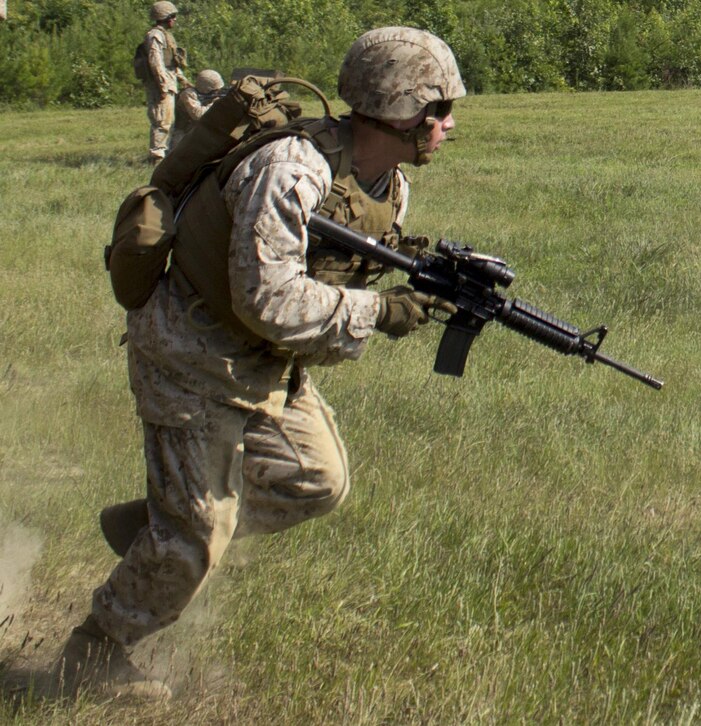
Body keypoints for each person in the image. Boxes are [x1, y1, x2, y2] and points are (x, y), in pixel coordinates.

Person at [53, 26, 465, 699]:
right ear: (398, 108)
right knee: (198, 534)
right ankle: (93, 651)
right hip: (191, 349)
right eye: (438, 110)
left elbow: (315, 294)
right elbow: (267, 298)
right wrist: (377, 312)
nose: (447, 125)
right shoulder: (292, 172)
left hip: (259, 357)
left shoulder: (385, 186)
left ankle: (167, 524)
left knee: (315, 479)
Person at [141, 1, 187, 163]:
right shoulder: (155, 36)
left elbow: (171, 62)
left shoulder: (165, 35)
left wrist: (183, 80)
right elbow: (156, 63)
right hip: (161, 85)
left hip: (168, 82)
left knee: (169, 120)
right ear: (164, 17)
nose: (174, 19)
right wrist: (162, 85)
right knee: (162, 121)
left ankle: (164, 154)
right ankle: (156, 157)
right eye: (172, 16)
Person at [169, 69, 224, 150]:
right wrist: (214, 103)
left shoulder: (205, 95)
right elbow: (198, 115)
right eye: (215, 90)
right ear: (206, 88)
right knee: (180, 153)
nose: (217, 92)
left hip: (197, 130)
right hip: (182, 132)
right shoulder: (188, 94)